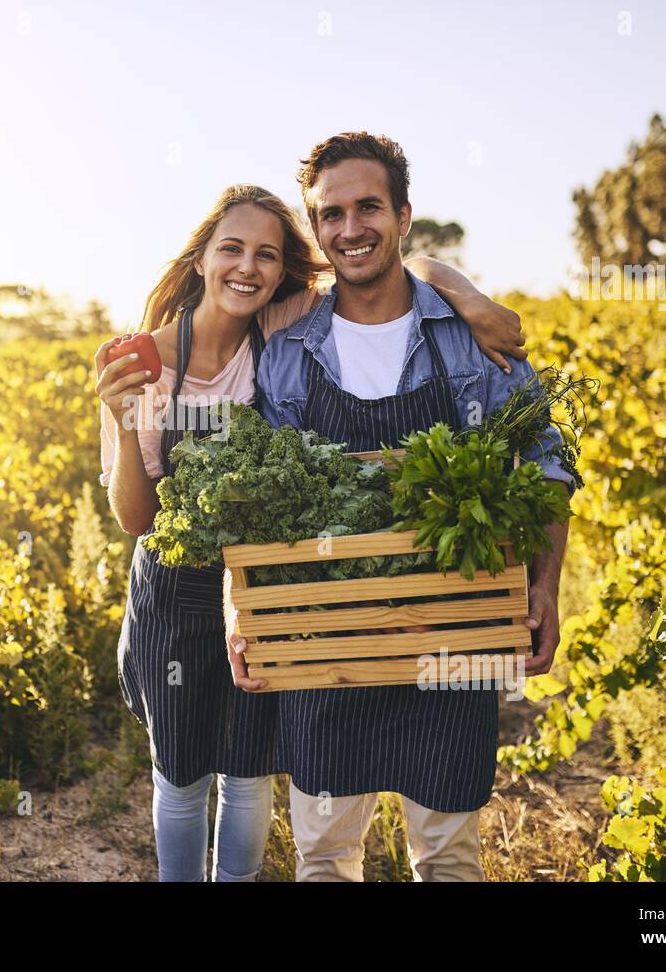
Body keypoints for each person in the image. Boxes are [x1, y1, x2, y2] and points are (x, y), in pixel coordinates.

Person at [94, 183, 527, 881]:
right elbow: (135, 520)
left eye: (267, 254)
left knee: (250, 770)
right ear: (202, 257)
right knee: (179, 774)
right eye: (231, 249)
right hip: (177, 589)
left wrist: (467, 297)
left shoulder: (284, 323)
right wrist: (118, 418)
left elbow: (383, 265)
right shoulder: (142, 361)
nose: (248, 267)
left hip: (265, 583)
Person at [230, 132, 574, 883]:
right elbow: (252, 501)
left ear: (404, 215)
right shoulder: (289, 347)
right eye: (332, 215)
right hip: (326, 641)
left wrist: (545, 583)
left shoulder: (470, 338)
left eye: (368, 208)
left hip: (451, 635)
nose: (351, 228)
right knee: (323, 857)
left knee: (449, 857)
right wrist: (241, 605)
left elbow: (548, 460)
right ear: (316, 230)